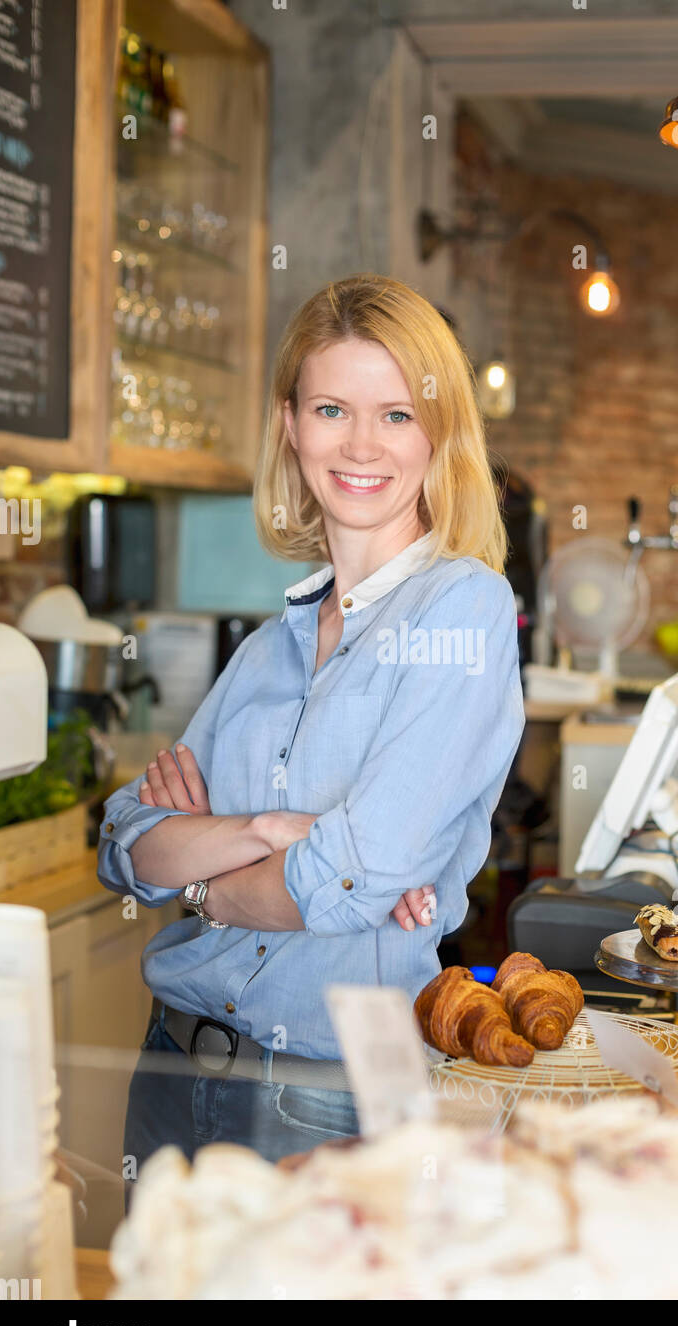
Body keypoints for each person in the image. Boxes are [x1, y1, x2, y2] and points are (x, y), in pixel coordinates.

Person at [98, 272, 525, 1180]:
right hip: (173, 1064)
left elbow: (358, 878)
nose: (361, 443)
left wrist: (204, 882)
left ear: (439, 433)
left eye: (398, 415)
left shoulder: (463, 611)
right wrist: (256, 833)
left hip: (322, 1095)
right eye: (332, 408)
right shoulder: (269, 646)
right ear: (290, 425)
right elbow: (124, 841)